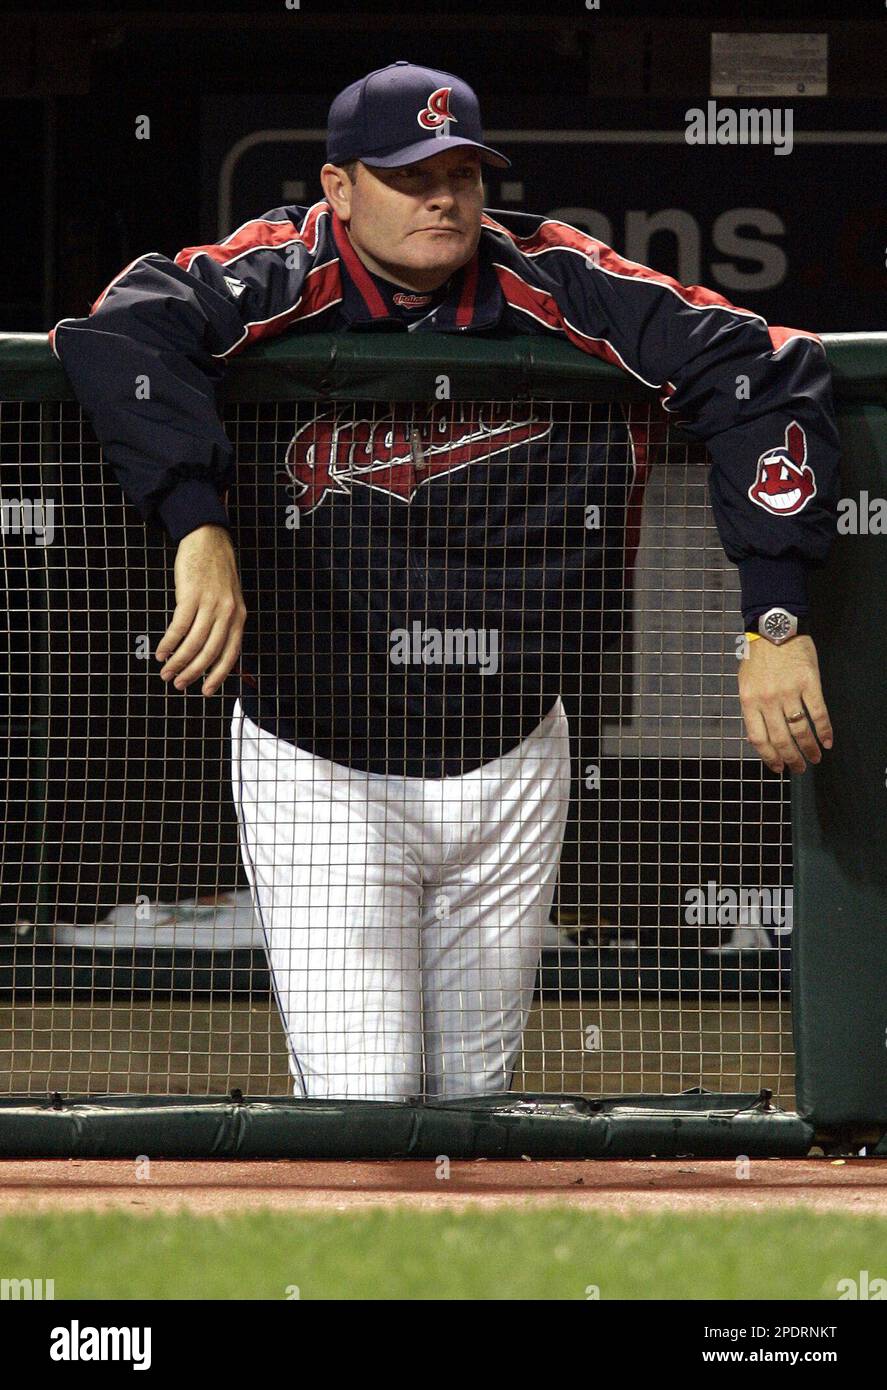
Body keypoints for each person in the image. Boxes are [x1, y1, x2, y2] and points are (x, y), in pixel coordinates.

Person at [50, 61, 839, 1101]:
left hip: (511, 749)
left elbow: (767, 366)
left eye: (463, 171)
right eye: (410, 171)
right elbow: (118, 326)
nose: (444, 196)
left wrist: (772, 618)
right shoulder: (280, 270)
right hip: (319, 756)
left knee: (476, 1103)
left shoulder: (554, 277)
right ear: (339, 189)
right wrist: (196, 525)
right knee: (363, 1098)